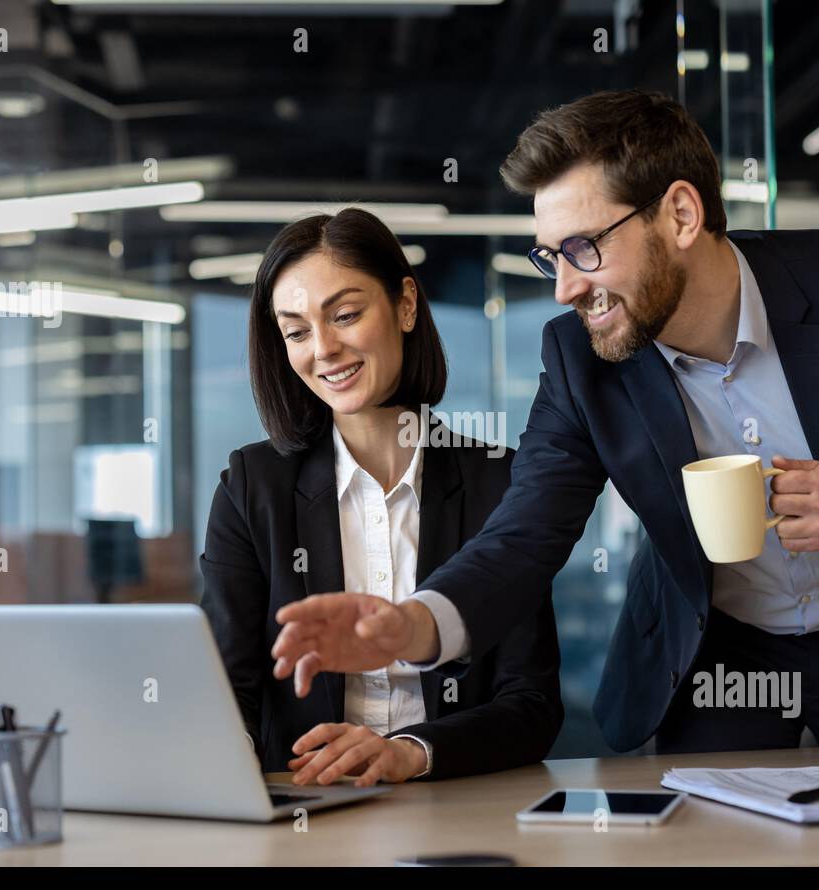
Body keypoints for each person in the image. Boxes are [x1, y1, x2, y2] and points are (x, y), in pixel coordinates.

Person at [269, 89, 819, 757]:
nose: (566, 287)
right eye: (549, 257)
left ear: (679, 212)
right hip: (722, 655)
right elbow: (526, 531)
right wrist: (414, 625)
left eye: (583, 248)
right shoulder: (580, 358)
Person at [199, 207, 563, 786]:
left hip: (454, 799)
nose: (322, 349)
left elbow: (531, 703)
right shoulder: (251, 487)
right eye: (296, 331)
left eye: (344, 315)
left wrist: (412, 751)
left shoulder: (498, 481)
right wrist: (229, 761)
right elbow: (227, 685)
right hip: (306, 806)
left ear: (406, 305)